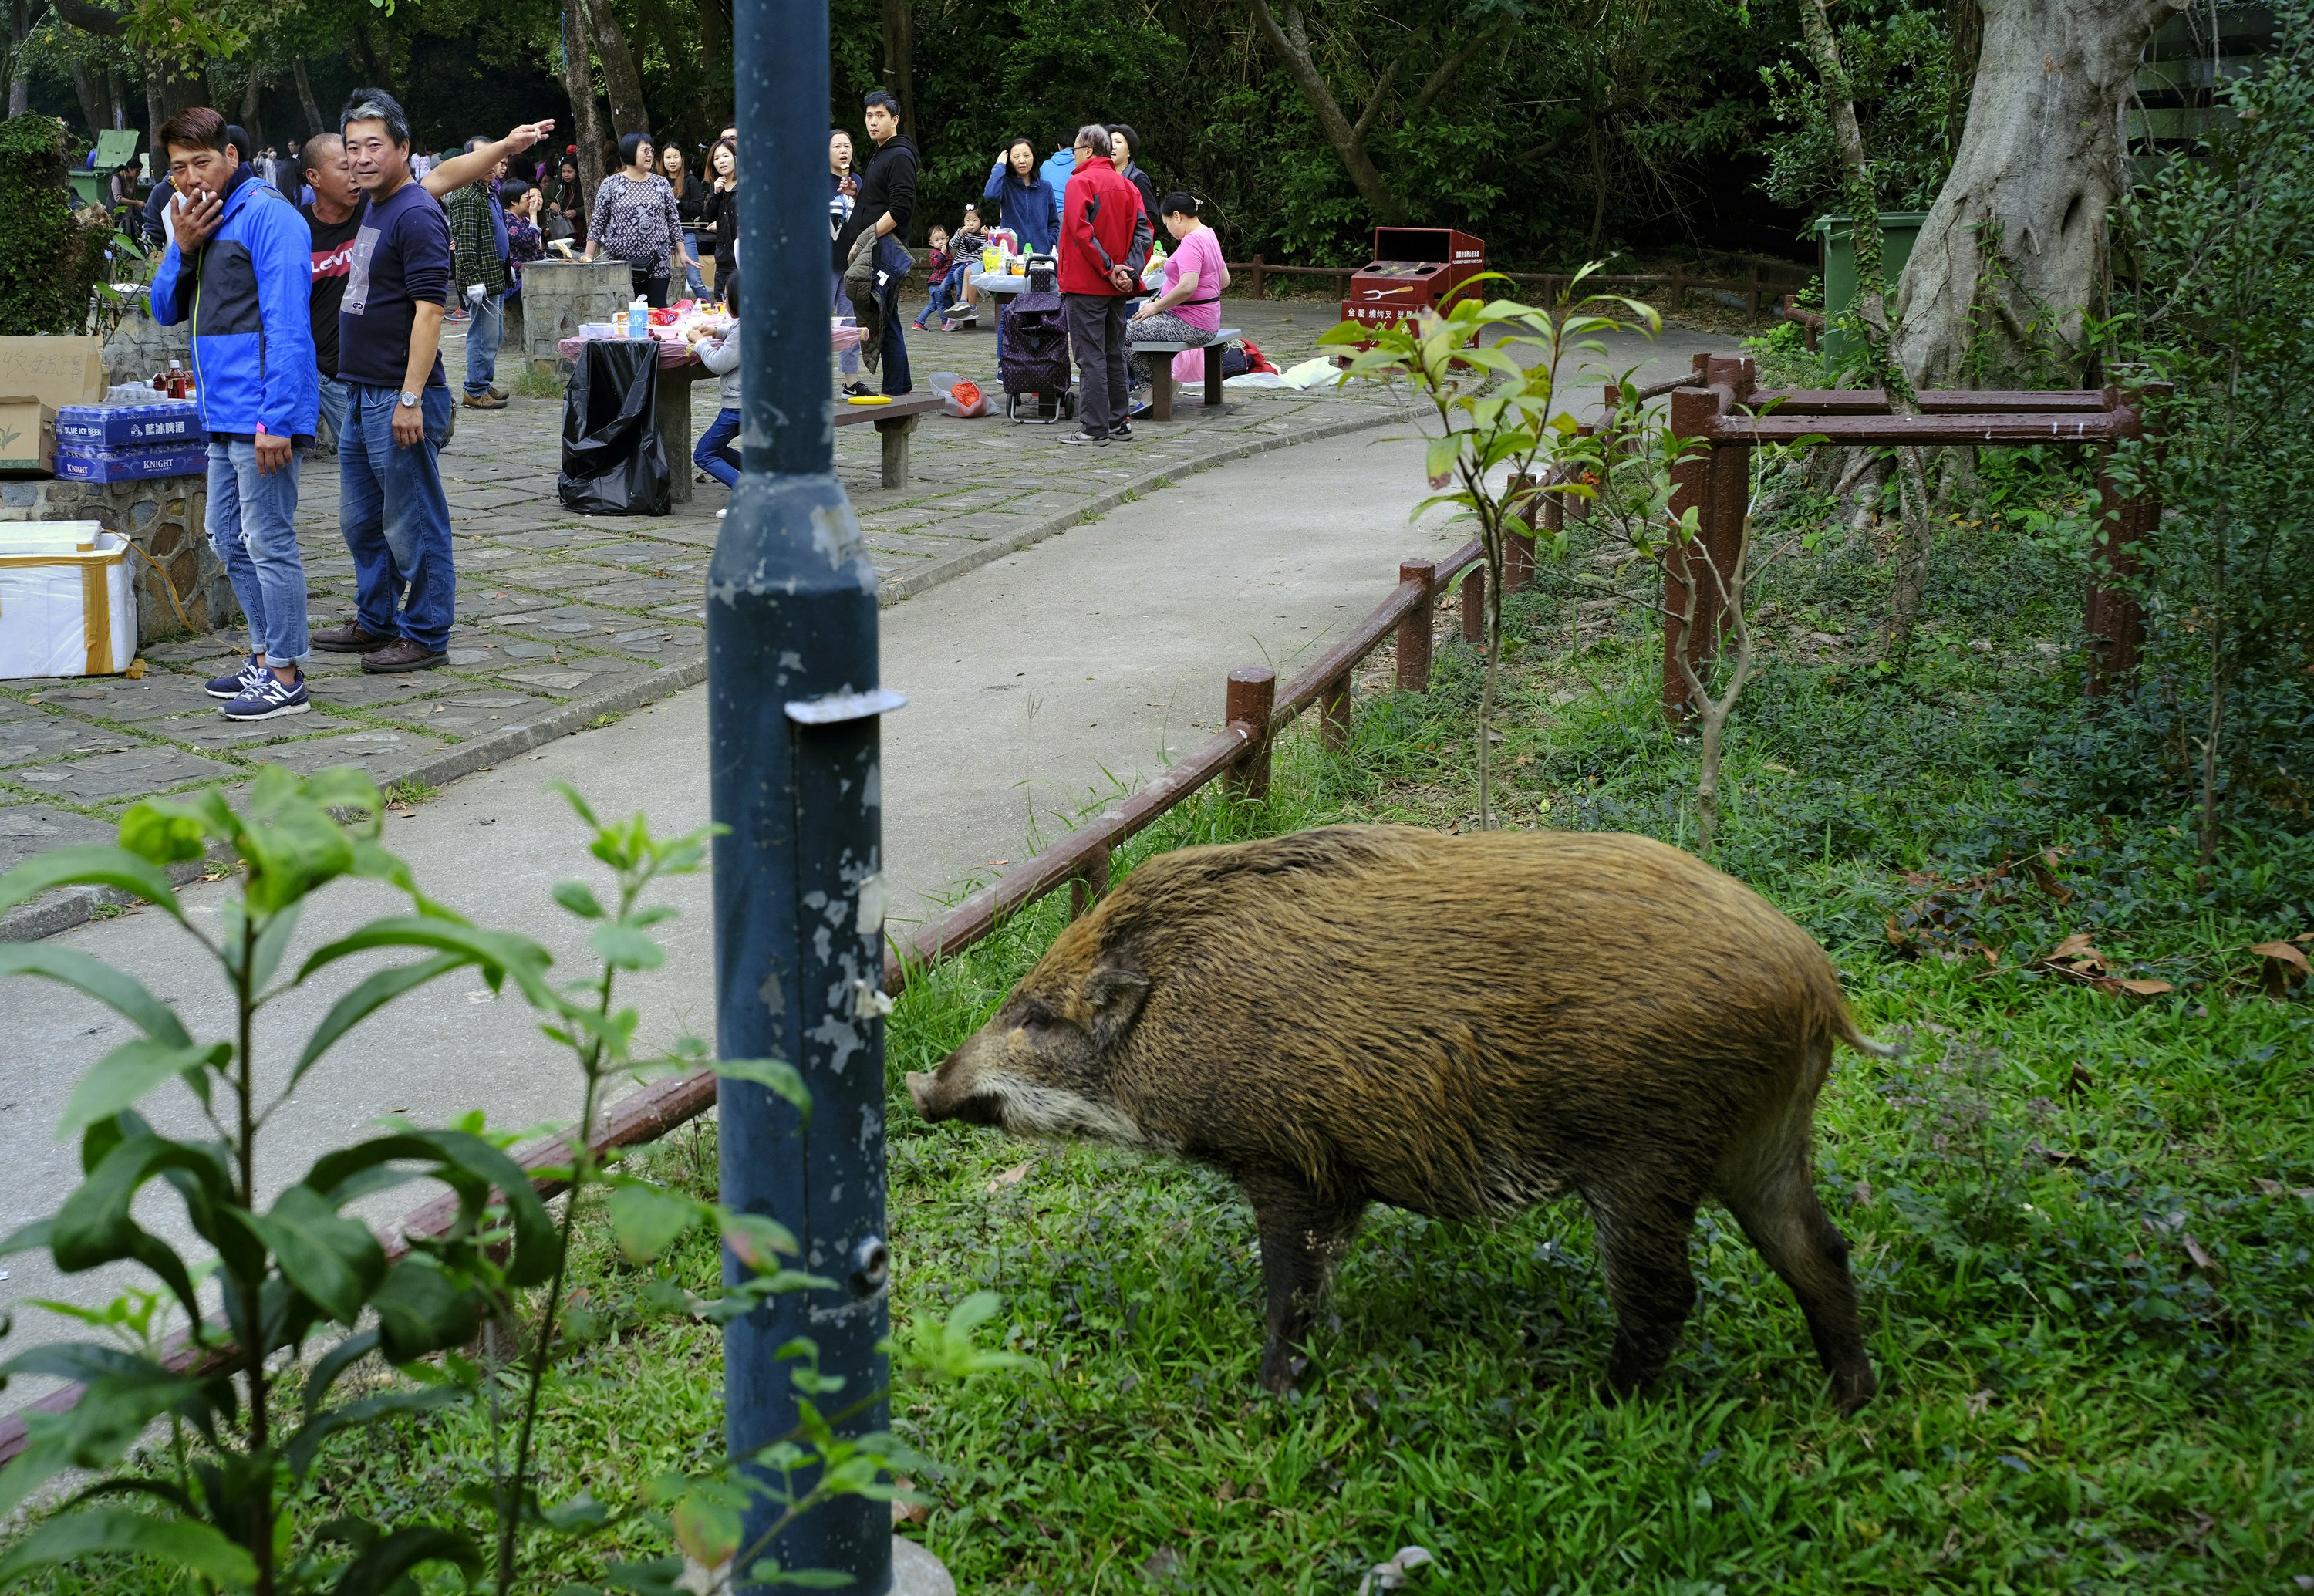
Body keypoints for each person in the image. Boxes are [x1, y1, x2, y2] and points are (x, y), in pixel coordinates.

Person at [310, 90, 551, 674]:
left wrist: (412, 398)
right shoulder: (383, 200)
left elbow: (431, 312)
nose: (362, 158)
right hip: (362, 386)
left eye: (374, 146)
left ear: (401, 149)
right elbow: (447, 171)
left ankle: (425, 631)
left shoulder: (414, 213)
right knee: (361, 519)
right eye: (353, 147)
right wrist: (508, 143)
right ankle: (376, 618)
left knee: (414, 519)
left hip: (400, 393)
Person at [145, 106, 320, 722]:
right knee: (226, 535)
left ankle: (287, 673)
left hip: (261, 413)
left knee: (269, 540)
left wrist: (277, 418)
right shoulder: (198, 224)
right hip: (219, 410)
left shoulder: (268, 216)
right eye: (177, 169)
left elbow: (289, 326)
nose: (189, 178)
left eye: (201, 163)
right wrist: (182, 249)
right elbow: (164, 309)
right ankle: (265, 651)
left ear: (232, 157)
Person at [1055, 123, 1152, 447]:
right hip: (1117, 287)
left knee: (1090, 356)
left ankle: (1093, 428)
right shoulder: (1128, 186)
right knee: (1113, 353)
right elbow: (1144, 232)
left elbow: (1081, 232)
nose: (1073, 156)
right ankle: (1119, 422)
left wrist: (1109, 268)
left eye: (1076, 150)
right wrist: (1129, 271)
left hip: (1086, 283)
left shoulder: (1080, 182)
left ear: (1088, 150)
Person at [837, 89, 918, 398]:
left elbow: (899, 211)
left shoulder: (899, 155)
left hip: (885, 248)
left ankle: (897, 390)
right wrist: (860, 193)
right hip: (876, 245)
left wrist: (864, 239)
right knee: (886, 316)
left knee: (885, 316)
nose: (873, 122)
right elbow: (882, 200)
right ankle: (898, 386)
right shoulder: (882, 151)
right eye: (869, 116)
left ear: (895, 119)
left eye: (880, 115)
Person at [1128, 191, 1230, 390]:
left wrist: (1156, 307)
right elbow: (1224, 280)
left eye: (1167, 224)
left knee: (1121, 334)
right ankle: (1155, 385)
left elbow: (1187, 286)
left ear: (1177, 216)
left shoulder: (1192, 241)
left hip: (1190, 322)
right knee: (1132, 332)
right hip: (1206, 320)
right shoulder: (1208, 234)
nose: (1169, 230)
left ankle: (1158, 386)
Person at [299, 133, 360, 455]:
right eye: (344, 168)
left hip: (372, 372)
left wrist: (503, 147)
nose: (356, 176)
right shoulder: (294, 227)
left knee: (379, 466)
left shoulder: (376, 210)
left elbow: (439, 181)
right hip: (323, 371)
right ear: (314, 177)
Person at [582, 132, 690, 307]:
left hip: (657, 263)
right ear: (630, 152)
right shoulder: (610, 184)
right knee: (622, 318)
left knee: (656, 315)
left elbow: (673, 219)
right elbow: (598, 222)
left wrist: (682, 252)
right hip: (620, 265)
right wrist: (588, 255)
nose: (650, 154)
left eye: (651, 150)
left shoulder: (661, 183)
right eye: (644, 150)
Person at [447, 135, 513, 408]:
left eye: (492, 156)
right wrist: (473, 281)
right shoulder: (464, 194)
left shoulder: (488, 190)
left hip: (495, 274)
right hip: (480, 279)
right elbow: (463, 244)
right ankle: (474, 390)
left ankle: (483, 383)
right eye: (482, 157)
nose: (490, 163)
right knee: (482, 335)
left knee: (494, 335)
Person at [688, 272, 742, 489]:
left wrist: (701, 342)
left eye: (726, 297)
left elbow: (719, 363)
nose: (724, 301)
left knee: (703, 453)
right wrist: (717, 330)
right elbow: (738, 329)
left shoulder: (743, 330)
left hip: (738, 406)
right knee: (715, 447)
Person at [982, 135, 1058, 258]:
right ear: (1010, 162)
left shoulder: (1046, 187)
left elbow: (1054, 222)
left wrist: (1049, 242)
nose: (1022, 160)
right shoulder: (1006, 185)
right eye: (1016, 157)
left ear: (1033, 157)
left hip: (1041, 256)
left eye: (1027, 155)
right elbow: (991, 195)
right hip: (1011, 256)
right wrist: (999, 166)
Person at [827, 129, 860, 388]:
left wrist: (856, 195)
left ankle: (851, 383)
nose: (843, 150)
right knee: (820, 323)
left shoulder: (857, 181)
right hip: (823, 264)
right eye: (837, 146)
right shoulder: (816, 181)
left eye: (847, 145)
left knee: (850, 325)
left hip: (852, 263)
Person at [661, 141, 707, 299]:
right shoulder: (659, 182)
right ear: (662, 160)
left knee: (695, 280)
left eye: (675, 157)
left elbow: (698, 209)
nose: (672, 161)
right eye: (668, 157)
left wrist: (678, 201)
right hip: (662, 237)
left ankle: (710, 312)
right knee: (663, 279)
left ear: (682, 158)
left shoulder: (690, 180)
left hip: (686, 233)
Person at [698, 136, 736, 288]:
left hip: (744, 259)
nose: (721, 161)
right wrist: (715, 193)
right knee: (721, 306)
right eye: (717, 158)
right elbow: (706, 218)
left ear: (735, 158)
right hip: (722, 260)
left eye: (725, 156)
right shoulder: (715, 188)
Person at [1107, 124, 1159, 230]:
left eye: (1118, 142)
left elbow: (1152, 215)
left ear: (1129, 152)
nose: (1112, 146)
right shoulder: (1101, 177)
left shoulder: (1138, 178)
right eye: (1109, 142)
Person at [544, 154, 585, 245]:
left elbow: (591, 205)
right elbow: (544, 198)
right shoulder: (556, 185)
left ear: (577, 172)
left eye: (570, 172)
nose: (566, 175)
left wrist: (576, 212)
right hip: (561, 226)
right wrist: (551, 204)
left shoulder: (584, 185)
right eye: (563, 171)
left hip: (580, 225)